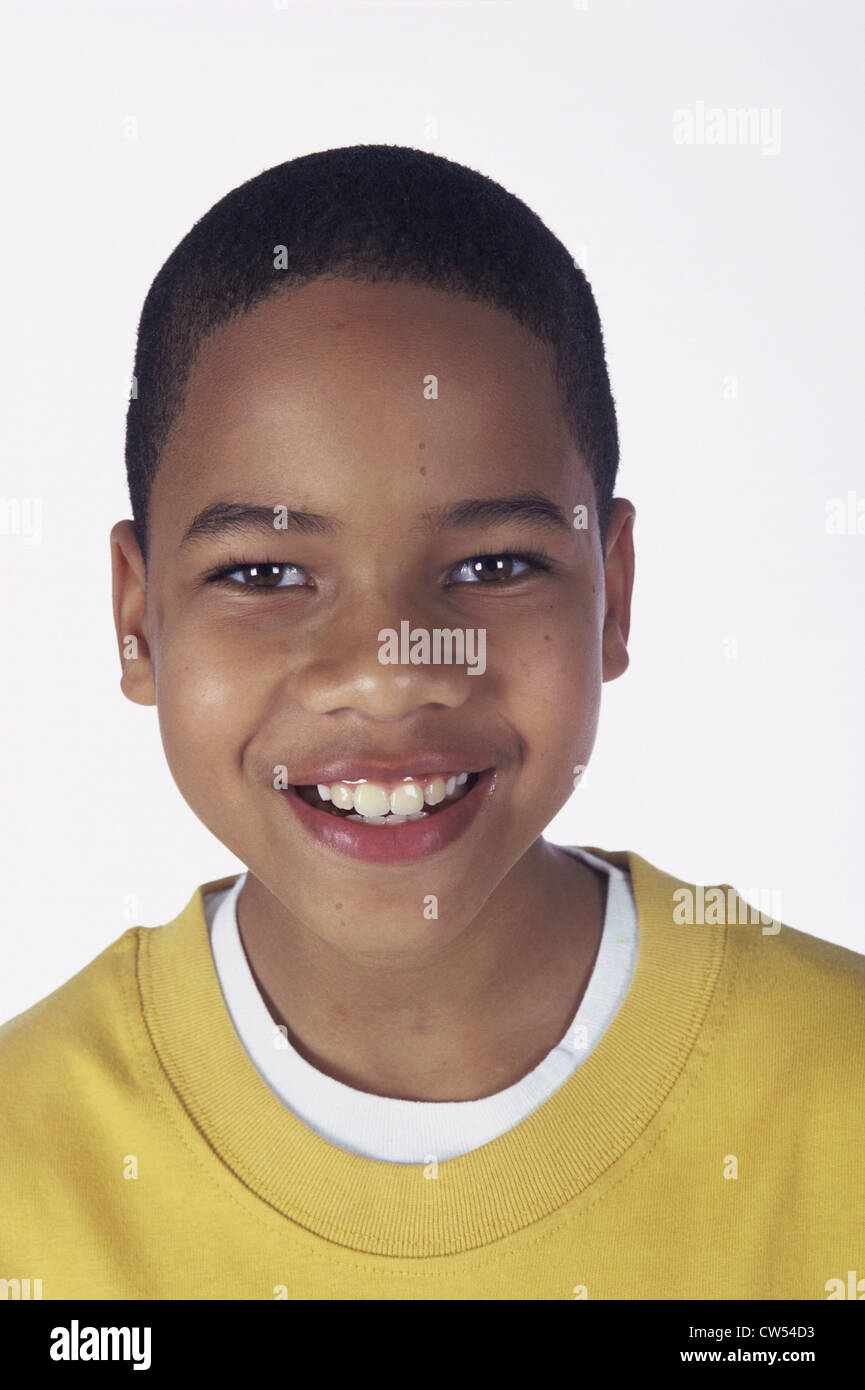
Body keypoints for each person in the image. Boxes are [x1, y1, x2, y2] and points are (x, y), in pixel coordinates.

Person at [1, 145, 861, 1300]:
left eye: (494, 563)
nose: (392, 671)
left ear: (613, 590)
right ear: (137, 618)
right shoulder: (28, 1168)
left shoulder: (836, 1101)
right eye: (262, 574)